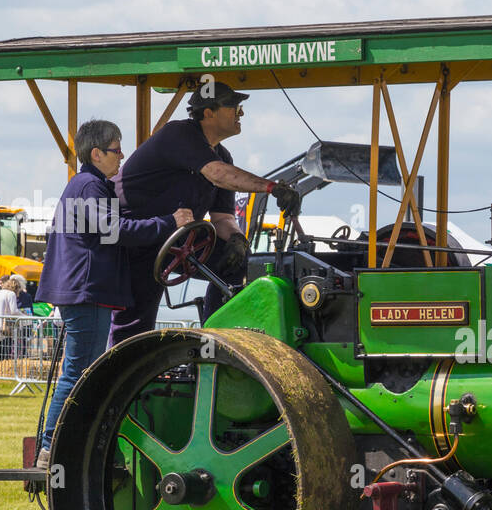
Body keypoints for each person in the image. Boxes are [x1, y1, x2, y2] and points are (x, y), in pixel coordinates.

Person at [35, 119, 192, 469]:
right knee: (79, 373)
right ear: (96, 153)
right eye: (116, 149)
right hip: (87, 292)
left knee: (83, 371)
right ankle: (52, 449)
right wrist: (170, 222)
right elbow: (114, 231)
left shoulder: (86, 185)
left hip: (85, 290)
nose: (122, 156)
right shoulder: (91, 186)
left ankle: (65, 446)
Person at [110, 81, 299, 344]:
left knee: (234, 265)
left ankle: (217, 340)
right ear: (208, 113)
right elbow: (217, 174)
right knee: (135, 322)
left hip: (174, 241)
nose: (240, 113)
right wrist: (270, 187)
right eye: (233, 107)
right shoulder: (179, 134)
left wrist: (237, 240)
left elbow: (223, 218)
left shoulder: (223, 155)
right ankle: (123, 374)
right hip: (135, 239)